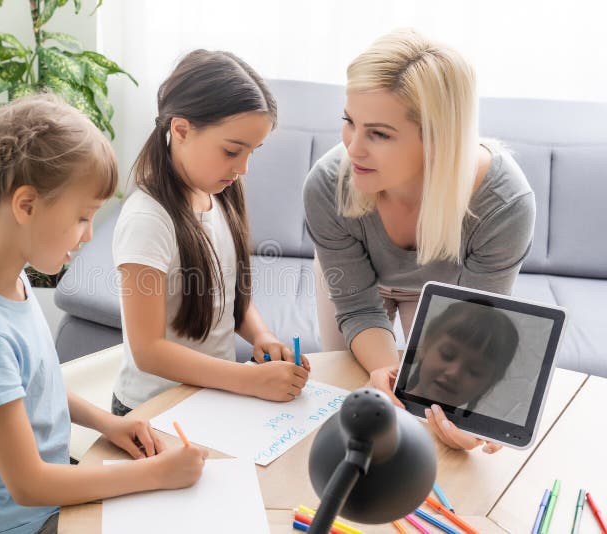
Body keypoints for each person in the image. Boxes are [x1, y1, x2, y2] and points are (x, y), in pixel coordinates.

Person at [0, 94, 207, 534]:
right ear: (27, 205)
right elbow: (29, 484)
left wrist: (112, 423)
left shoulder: (11, 285)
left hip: (42, 508)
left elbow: (36, 387)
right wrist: (157, 475)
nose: (87, 236)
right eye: (83, 217)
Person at [302, 29, 535, 452]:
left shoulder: (505, 204)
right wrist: (389, 374)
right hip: (357, 282)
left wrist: (461, 418)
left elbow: (474, 325)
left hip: (445, 297)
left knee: (432, 420)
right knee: (352, 392)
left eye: (380, 134)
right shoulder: (326, 185)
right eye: (349, 121)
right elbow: (356, 305)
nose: (353, 148)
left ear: (439, 138)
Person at [112, 50, 310, 417]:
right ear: (181, 129)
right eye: (233, 151)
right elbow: (148, 350)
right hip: (153, 410)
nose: (244, 168)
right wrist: (251, 381)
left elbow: (227, 294)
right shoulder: (148, 219)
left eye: (253, 151)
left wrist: (262, 337)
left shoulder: (218, 192)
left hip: (210, 398)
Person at [405, 302, 519, 412]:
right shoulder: (388, 402)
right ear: (426, 344)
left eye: (475, 371)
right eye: (447, 355)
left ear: (490, 383)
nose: (454, 374)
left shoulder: (468, 432)